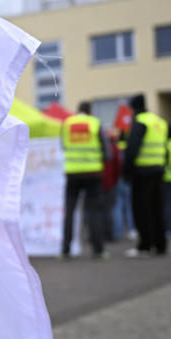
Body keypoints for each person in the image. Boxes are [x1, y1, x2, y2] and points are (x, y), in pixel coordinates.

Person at [60, 101, 110, 259]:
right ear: (90, 111)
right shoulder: (95, 123)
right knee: (94, 211)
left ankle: (65, 250)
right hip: (93, 173)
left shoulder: (67, 123)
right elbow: (107, 152)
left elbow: (63, 146)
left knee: (69, 211)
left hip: (72, 173)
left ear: (78, 110)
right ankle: (98, 250)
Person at [123, 93, 167, 257]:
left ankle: (145, 245)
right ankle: (161, 245)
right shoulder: (159, 121)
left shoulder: (140, 121)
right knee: (157, 209)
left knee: (142, 210)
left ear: (134, 107)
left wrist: (127, 171)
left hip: (142, 172)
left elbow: (132, 149)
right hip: (158, 169)